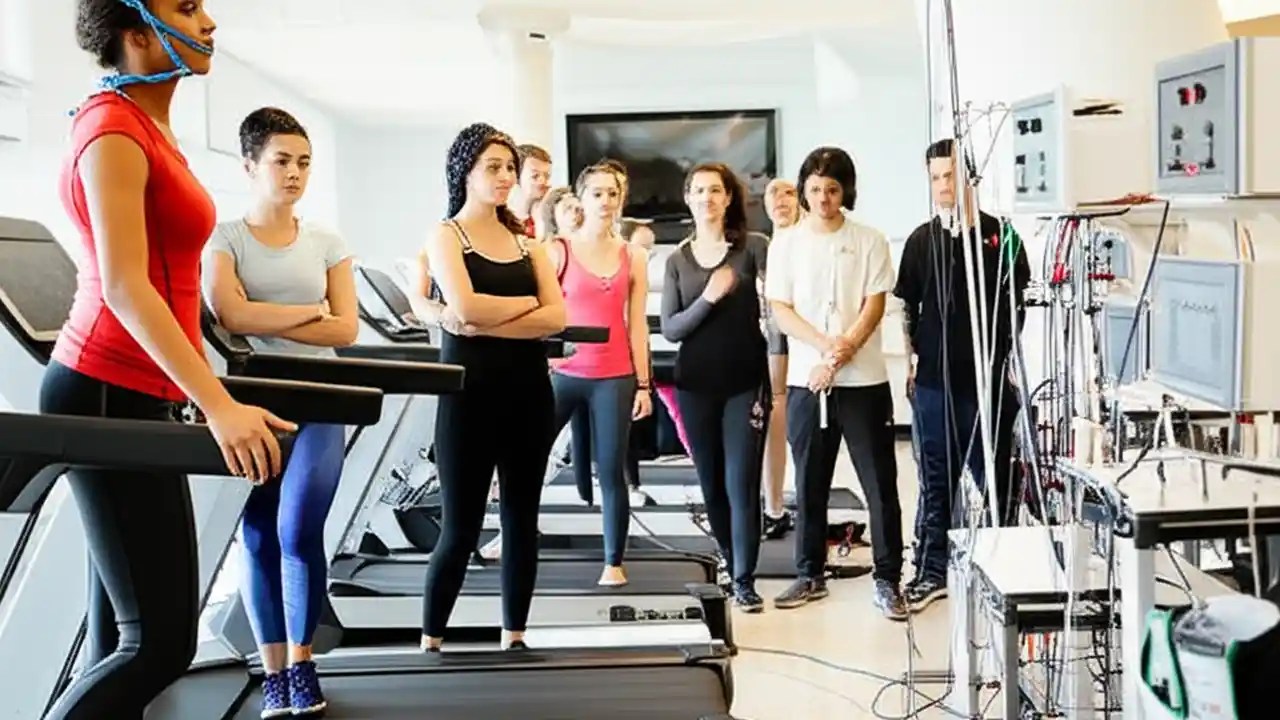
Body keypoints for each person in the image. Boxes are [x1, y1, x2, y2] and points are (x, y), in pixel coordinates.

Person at [42, 2, 294, 718]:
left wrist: (211, 388)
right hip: (101, 386)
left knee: (118, 640)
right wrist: (218, 405)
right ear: (137, 33)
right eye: (186, 6)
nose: (208, 21)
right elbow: (125, 283)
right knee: (157, 645)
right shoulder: (112, 128)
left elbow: (172, 279)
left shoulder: (147, 126)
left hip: (134, 388)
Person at [203, 107, 358, 717]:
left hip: (322, 397)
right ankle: (272, 674)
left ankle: (302, 661)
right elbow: (229, 317)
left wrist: (270, 311)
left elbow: (344, 325)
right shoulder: (225, 238)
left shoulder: (327, 241)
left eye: (303, 163)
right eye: (281, 161)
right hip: (251, 401)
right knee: (260, 534)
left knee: (299, 530)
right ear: (249, 165)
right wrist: (308, 313)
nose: (295, 173)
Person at [420, 122, 566, 652]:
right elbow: (463, 307)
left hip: (528, 395)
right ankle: (431, 641)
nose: (507, 177)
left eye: (510, 167)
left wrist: (492, 318)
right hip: (469, 399)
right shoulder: (445, 236)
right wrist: (525, 309)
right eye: (494, 167)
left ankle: (515, 637)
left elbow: (557, 316)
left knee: (522, 522)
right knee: (459, 529)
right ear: (465, 172)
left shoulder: (529, 244)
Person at [765, 147, 905, 619]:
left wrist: (843, 349)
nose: (823, 198)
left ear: (846, 191)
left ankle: (888, 579)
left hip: (863, 380)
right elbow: (781, 308)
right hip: (810, 381)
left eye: (832, 189)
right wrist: (823, 348)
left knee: (880, 484)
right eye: (815, 189)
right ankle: (809, 574)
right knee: (809, 484)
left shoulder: (869, 239)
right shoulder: (785, 242)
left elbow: (874, 303)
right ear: (803, 191)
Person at [894, 139, 1030, 613]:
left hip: (989, 384)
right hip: (935, 385)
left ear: (969, 176)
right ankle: (932, 573)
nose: (942, 186)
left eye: (950, 175)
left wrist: (1006, 361)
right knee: (936, 485)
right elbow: (908, 310)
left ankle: (1005, 570)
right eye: (934, 178)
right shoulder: (921, 241)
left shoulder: (1002, 237)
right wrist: (911, 362)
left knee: (1000, 484)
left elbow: (1017, 307)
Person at [660, 162, 770, 613]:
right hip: (696, 386)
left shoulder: (753, 248)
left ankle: (745, 579)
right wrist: (709, 296)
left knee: (741, 483)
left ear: (728, 198)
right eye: (698, 190)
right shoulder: (676, 260)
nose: (707, 197)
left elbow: (778, 306)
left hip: (745, 384)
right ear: (688, 198)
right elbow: (671, 329)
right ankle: (728, 561)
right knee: (712, 486)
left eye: (715, 190)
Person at [543, 163, 653, 586]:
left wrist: (644, 384)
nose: (605, 202)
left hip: (615, 375)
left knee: (610, 470)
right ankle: (509, 533)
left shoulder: (634, 256)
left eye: (613, 194)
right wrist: (544, 362)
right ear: (581, 198)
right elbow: (542, 314)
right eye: (597, 194)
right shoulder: (558, 249)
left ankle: (613, 562)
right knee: (530, 460)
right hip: (564, 373)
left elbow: (636, 323)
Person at [761, 178, 801, 540]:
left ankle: (776, 505)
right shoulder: (765, 245)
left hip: (798, 346)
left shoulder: (806, 242)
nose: (782, 201)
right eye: (774, 194)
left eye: (789, 193)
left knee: (783, 416)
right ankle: (772, 505)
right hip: (768, 343)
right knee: (772, 418)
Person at [509, 143, 553, 239]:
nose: (543, 181)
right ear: (516, 176)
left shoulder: (548, 215)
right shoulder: (502, 219)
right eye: (535, 176)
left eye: (547, 176)